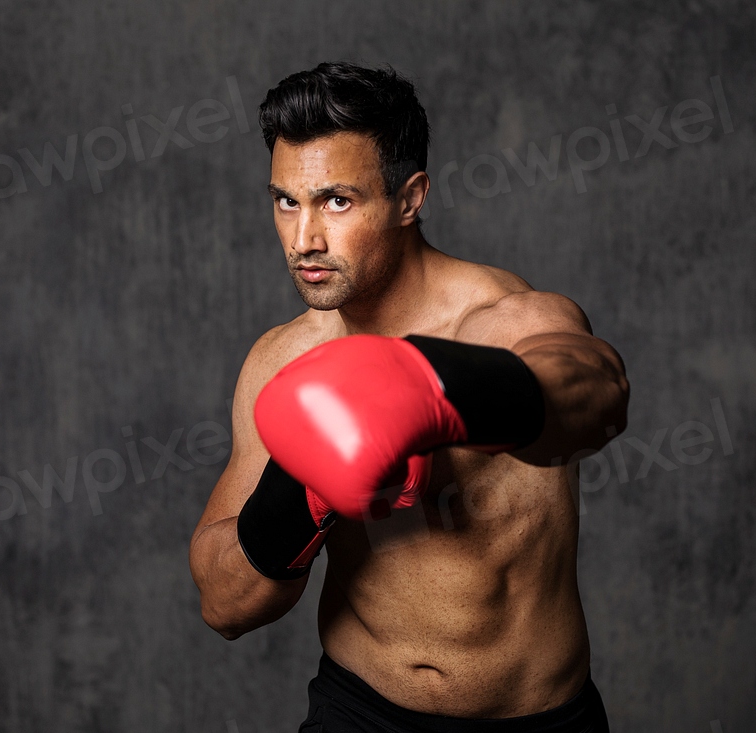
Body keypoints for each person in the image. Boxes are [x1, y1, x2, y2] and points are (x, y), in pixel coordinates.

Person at [189, 61, 629, 732]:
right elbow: (224, 602)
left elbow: (597, 394)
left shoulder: (499, 319)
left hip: (532, 720)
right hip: (356, 710)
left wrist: (429, 387)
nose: (304, 238)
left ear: (409, 197)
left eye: (337, 200)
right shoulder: (283, 359)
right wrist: (299, 493)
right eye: (286, 201)